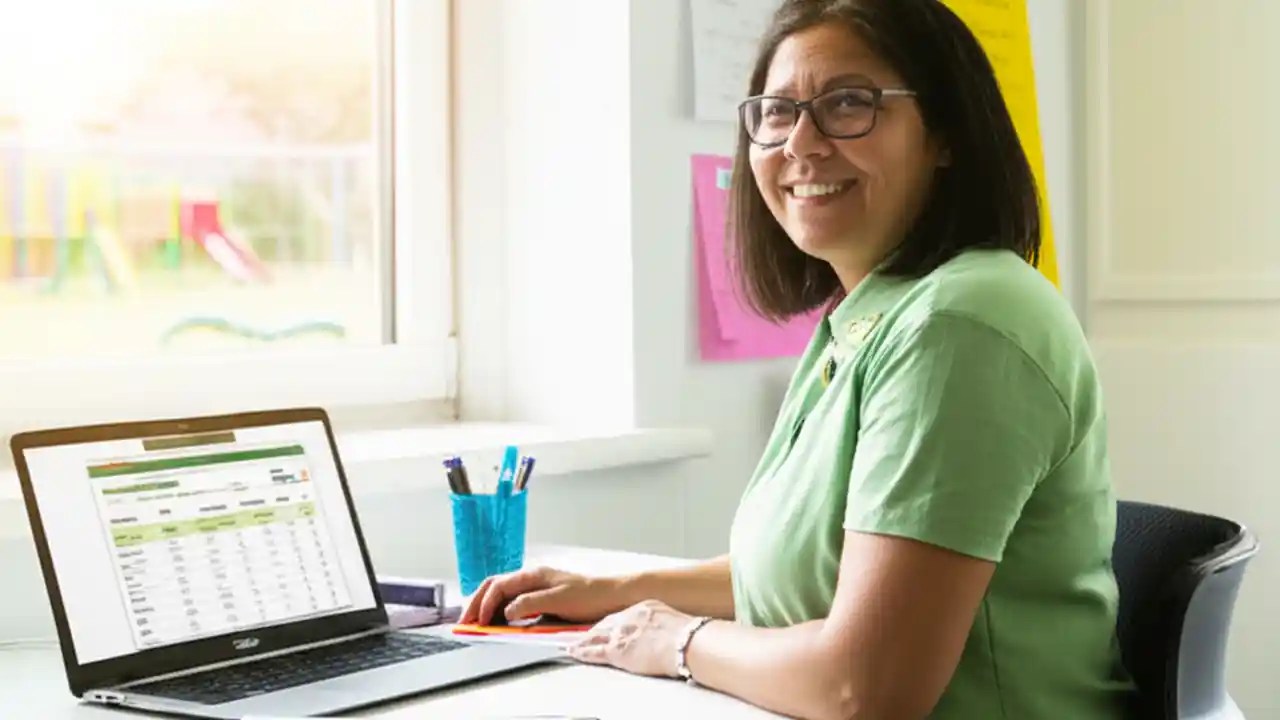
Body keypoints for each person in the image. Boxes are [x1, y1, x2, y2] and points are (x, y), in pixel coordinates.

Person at [462, 0, 1136, 717]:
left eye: (849, 103)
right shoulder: (871, 316)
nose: (802, 144)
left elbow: (865, 685)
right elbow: (810, 574)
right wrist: (617, 593)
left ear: (944, 133)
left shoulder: (961, 325)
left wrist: (679, 641)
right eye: (777, 113)